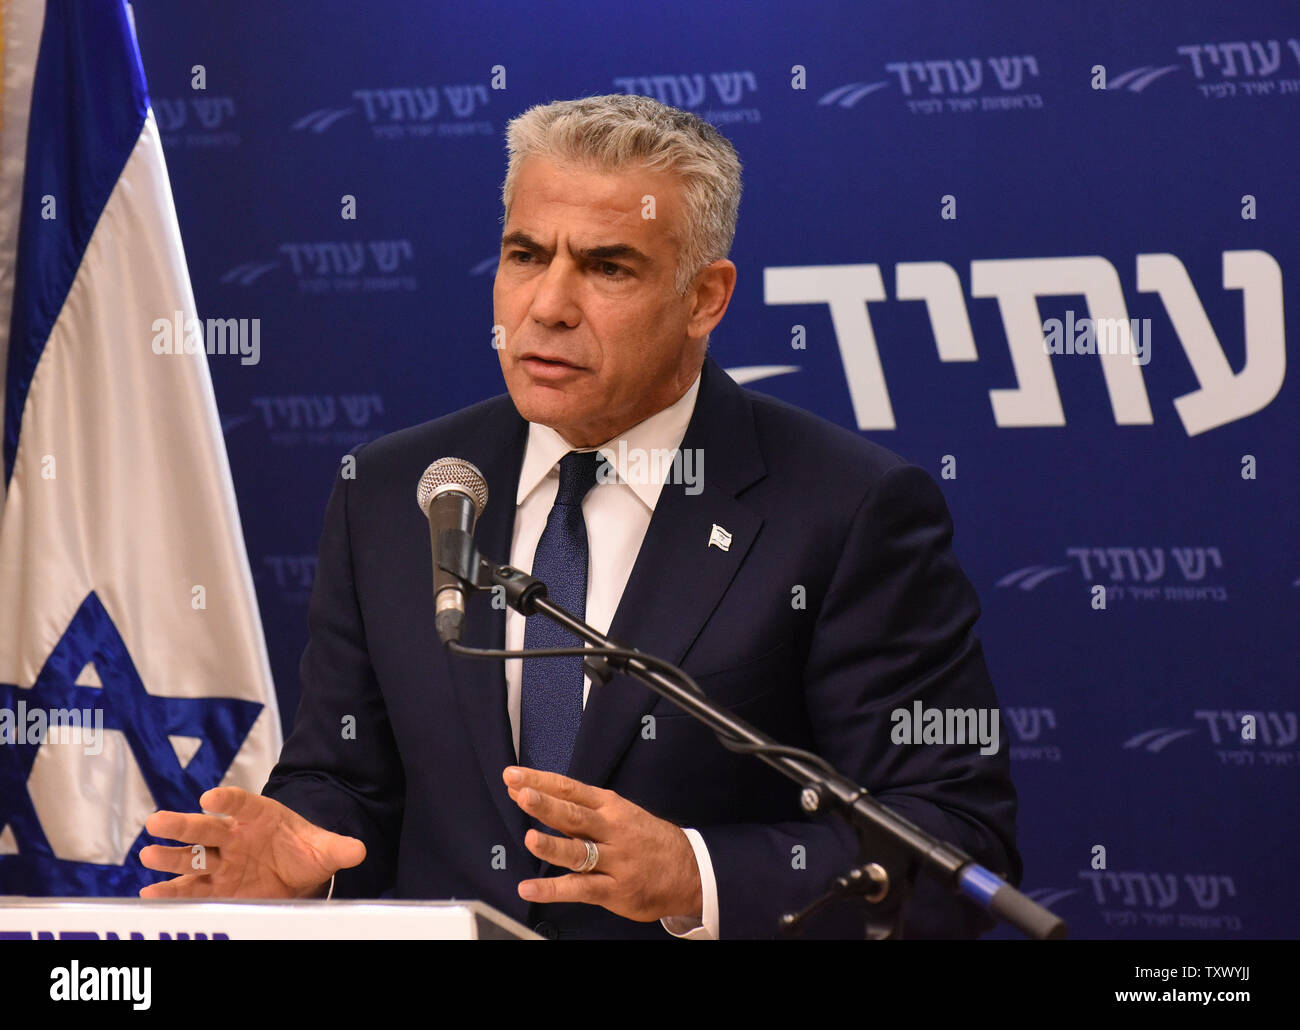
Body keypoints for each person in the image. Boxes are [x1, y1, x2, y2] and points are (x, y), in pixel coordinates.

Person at [140, 94, 1019, 939]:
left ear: (705, 298)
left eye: (607, 267)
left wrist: (696, 873)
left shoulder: (844, 509)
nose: (549, 306)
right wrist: (308, 861)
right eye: (526, 255)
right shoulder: (395, 490)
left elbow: (954, 851)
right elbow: (347, 781)